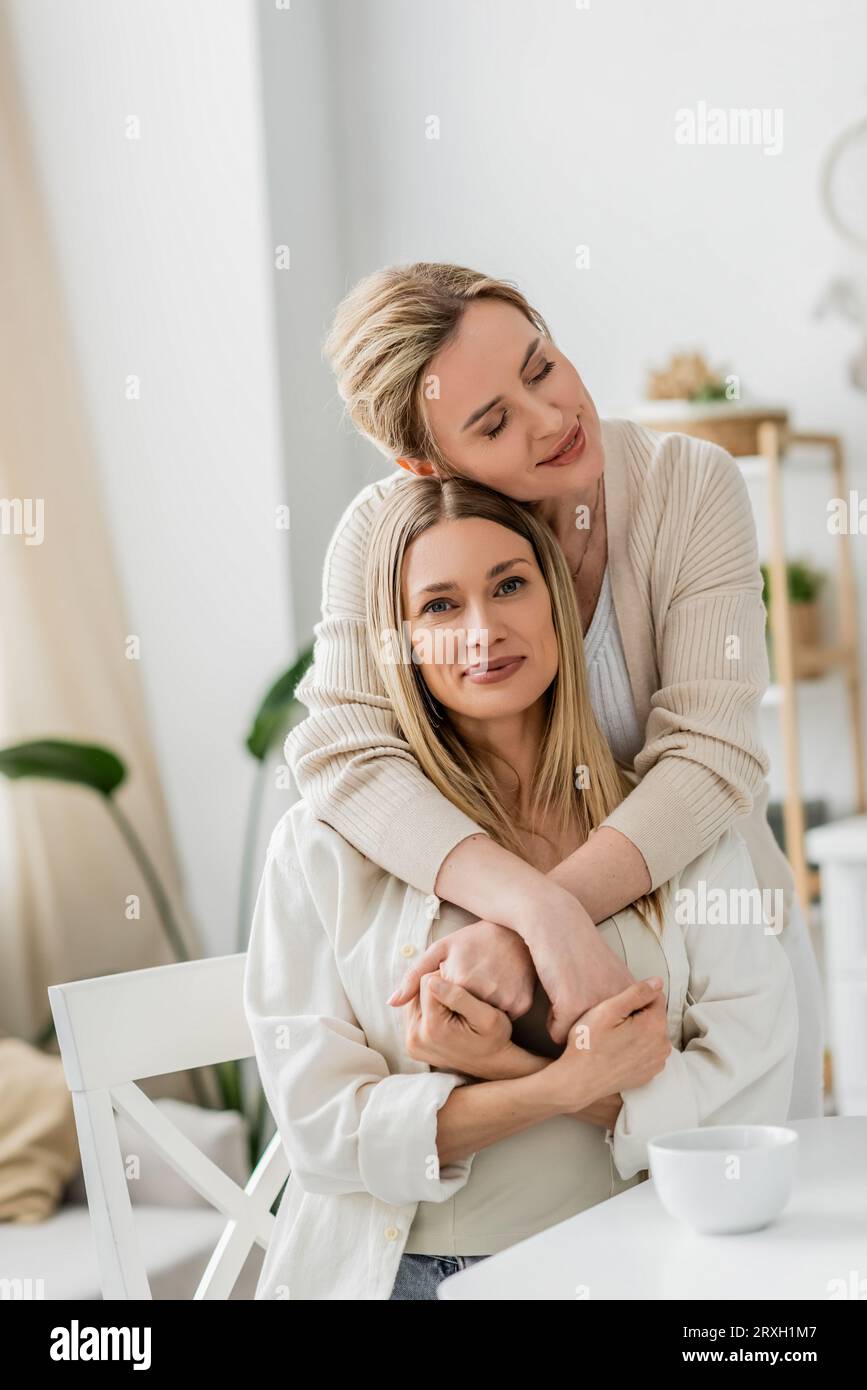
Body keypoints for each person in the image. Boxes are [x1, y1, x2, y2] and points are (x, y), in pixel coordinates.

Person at [284, 261, 823, 1119]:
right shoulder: (384, 538)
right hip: (511, 993)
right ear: (423, 464)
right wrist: (535, 913)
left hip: (717, 962)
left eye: (541, 366)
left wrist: (532, 928)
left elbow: (710, 757)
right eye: (493, 422)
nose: (553, 419)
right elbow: (342, 752)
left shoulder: (688, 488)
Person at [244, 477, 797, 1300]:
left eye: (508, 585)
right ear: (397, 644)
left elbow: (739, 1104)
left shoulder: (670, 829)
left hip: (636, 1267)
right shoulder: (321, 848)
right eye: (438, 606)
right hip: (412, 1278)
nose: (482, 631)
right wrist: (564, 1082)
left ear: (556, 604)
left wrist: (505, 1066)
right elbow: (325, 1135)